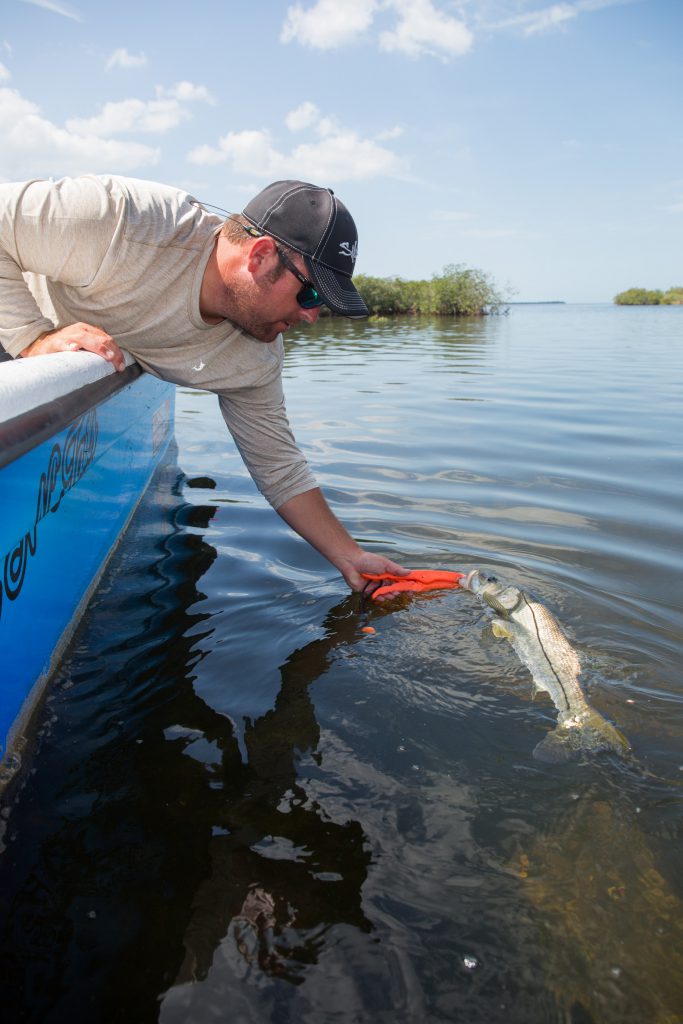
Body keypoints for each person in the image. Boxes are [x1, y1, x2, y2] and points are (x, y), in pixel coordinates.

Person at [0, 174, 408, 594]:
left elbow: (280, 468)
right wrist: (32, 337)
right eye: (311, 296)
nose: (311, 317)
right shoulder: (121, 221)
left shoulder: (256, 357)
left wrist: (351, 557)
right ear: (262, 256)